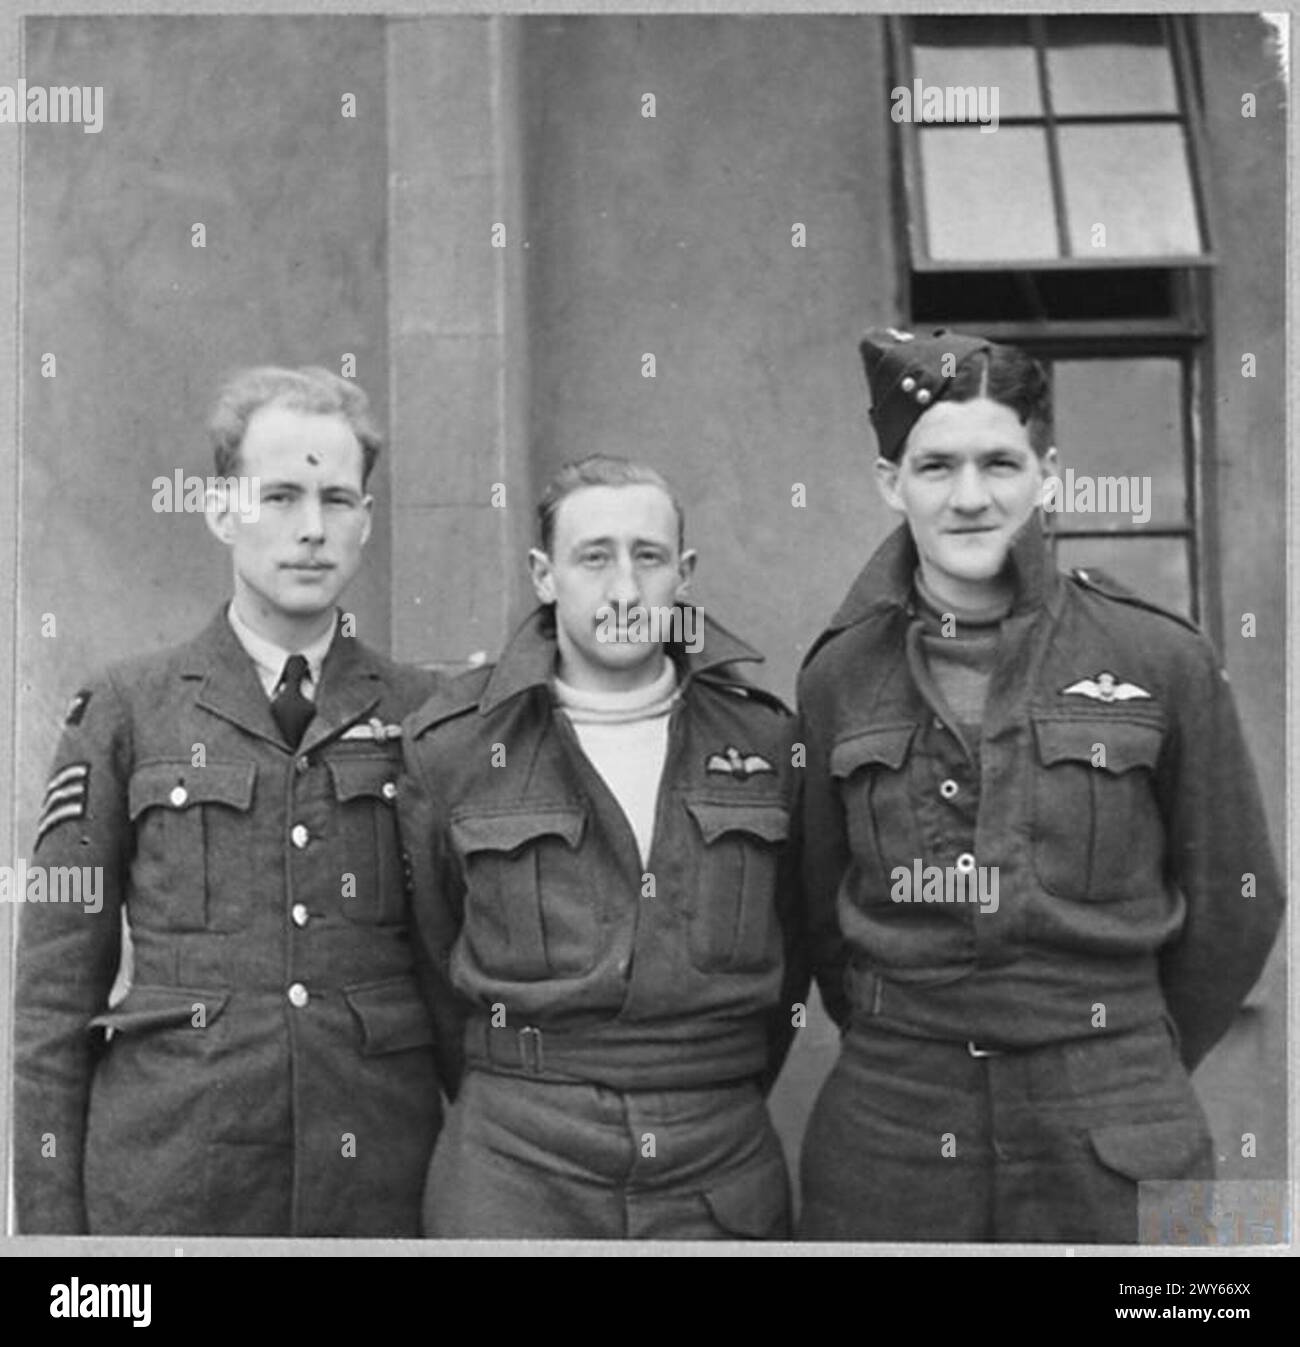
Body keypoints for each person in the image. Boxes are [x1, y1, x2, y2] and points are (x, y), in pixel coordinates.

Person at [796, 327, 1283, 1242]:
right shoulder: (836, 676)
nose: (971, 497)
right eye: (935, 465)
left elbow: (1240, 900)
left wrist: (1128, 1052)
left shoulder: (1160, 655)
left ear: (1049, 473)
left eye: (1000, 462)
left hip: (1119, 1108)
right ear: (888, 482)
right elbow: (822, 913)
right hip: (893, 1124)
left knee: (1183, 1308)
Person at [14, 366, 457, 1236]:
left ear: (366, 520)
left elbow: (459, 984)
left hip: (375, 1183)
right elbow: (51, 1004)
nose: (311, 529)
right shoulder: (127, 708)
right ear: (220, 510)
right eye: (280, 496)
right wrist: (50, 1243)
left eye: (337, 499)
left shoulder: (425, 715)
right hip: (176, 1182)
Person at [398, 455, 805, 1239]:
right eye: (594, 557)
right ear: (544, 574)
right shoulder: (455, 748)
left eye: (647, 557)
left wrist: (704, 1073)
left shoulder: (764, 737)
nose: (624, 589)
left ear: (682, 573)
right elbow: (431, 952)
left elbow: (803, 945)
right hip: (516, 1159)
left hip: (715, 1152)